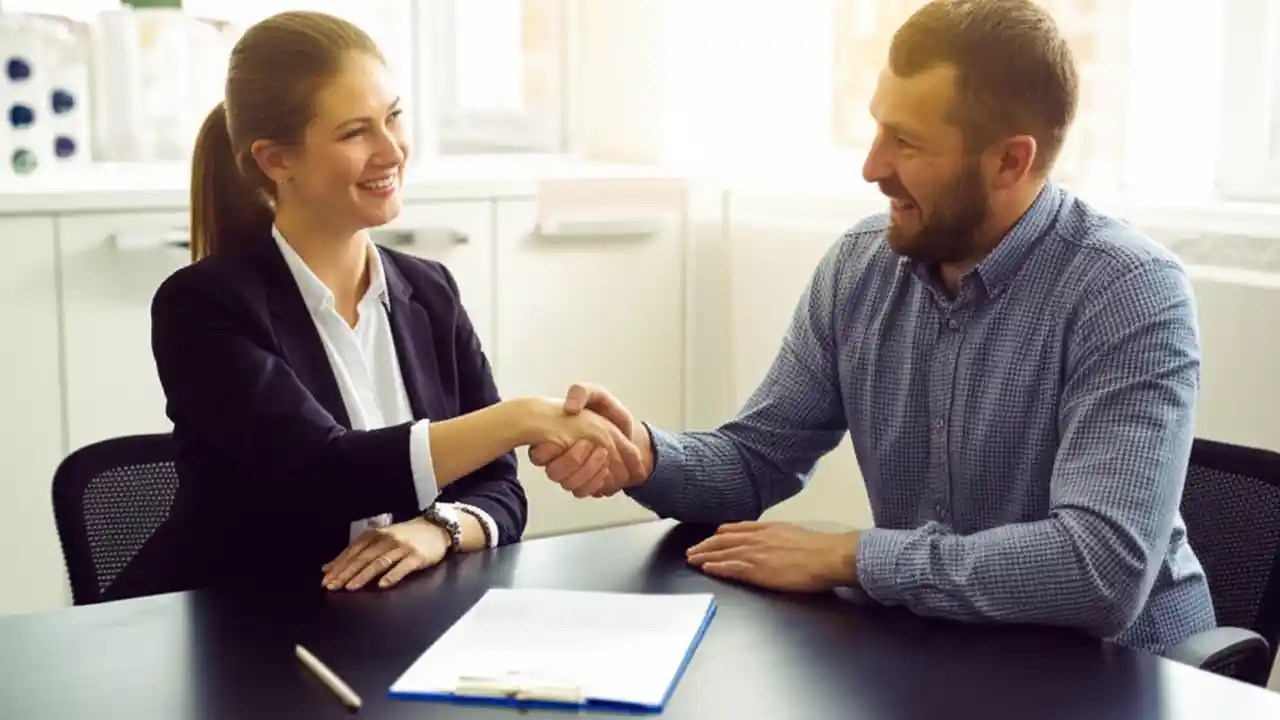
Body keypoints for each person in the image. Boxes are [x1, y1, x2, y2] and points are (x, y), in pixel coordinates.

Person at [530, 0, 1215, 654]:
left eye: (907, 142)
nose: (871, 167)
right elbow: (756, 460)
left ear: (1010, 160)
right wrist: (646, 455)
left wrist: (851, 557)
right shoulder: (861, 268)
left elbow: (1101, 569)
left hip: (1126, 672)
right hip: (949, 654)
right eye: (878, 127)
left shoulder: (1127, 291)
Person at [149, 11, 641, 595]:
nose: (392, 151)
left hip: (402, 625)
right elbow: (323, 473)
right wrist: (521, 418)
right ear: (277, 161)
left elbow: (499, 489)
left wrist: (441, 529)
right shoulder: (202, 307)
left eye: (393, 117)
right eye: (354, 132)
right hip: (261, 635)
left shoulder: (430, 293)